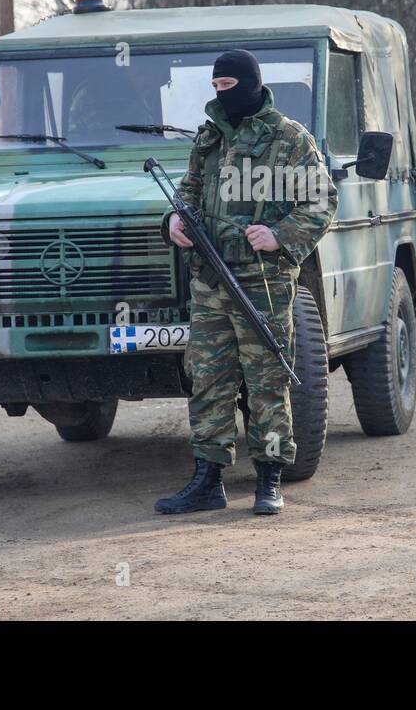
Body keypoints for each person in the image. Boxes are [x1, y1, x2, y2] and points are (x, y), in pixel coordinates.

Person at [155, 50, 337, 516]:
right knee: (208, 379)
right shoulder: (209, 137)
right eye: (215, 89)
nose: (221, 96)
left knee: (267, 380)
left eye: (228, 88)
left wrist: (279, 235)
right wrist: (173, 220)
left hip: (263, 281)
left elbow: (320, 202)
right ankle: (208, 479)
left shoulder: (290, 138)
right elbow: (189, 191)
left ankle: (269, 479)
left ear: (251, 85)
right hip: (211, 279)